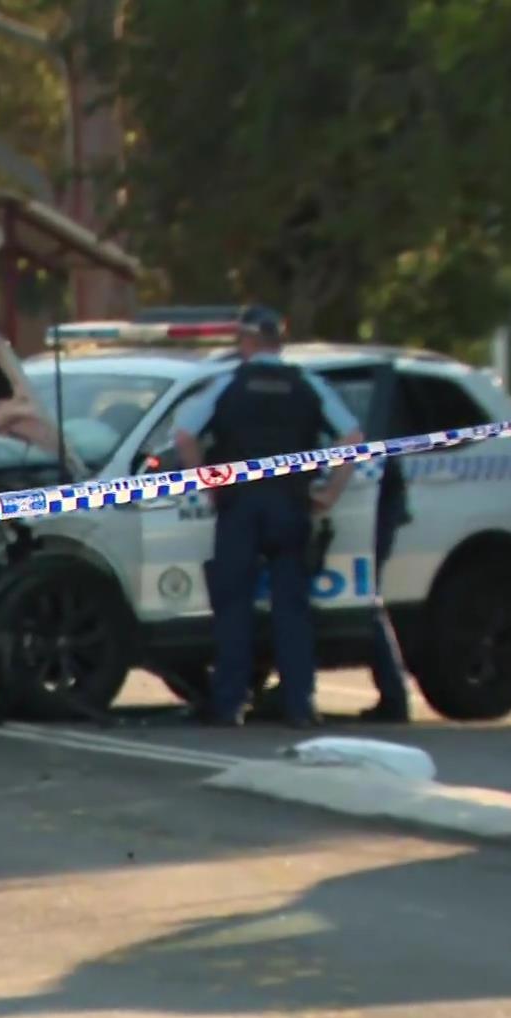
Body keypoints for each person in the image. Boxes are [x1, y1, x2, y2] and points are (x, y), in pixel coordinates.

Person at [171, 305, 364, 728]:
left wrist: (207, 482)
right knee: (292, 608)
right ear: (280, 341)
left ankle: (228, 704)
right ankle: (300, 705)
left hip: (238, 504)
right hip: (290, 503)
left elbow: (184, 435)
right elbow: (352, 437)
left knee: (233, 606)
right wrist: (331, 491)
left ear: (247, 342)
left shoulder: (227, 384)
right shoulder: (308, 385)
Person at [358, 454, 412, 722]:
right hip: (377, 494)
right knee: (367, 599)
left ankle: (394, 696)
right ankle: (394, 695)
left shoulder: (355, 416)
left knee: (367, 600)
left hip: (372, 497)